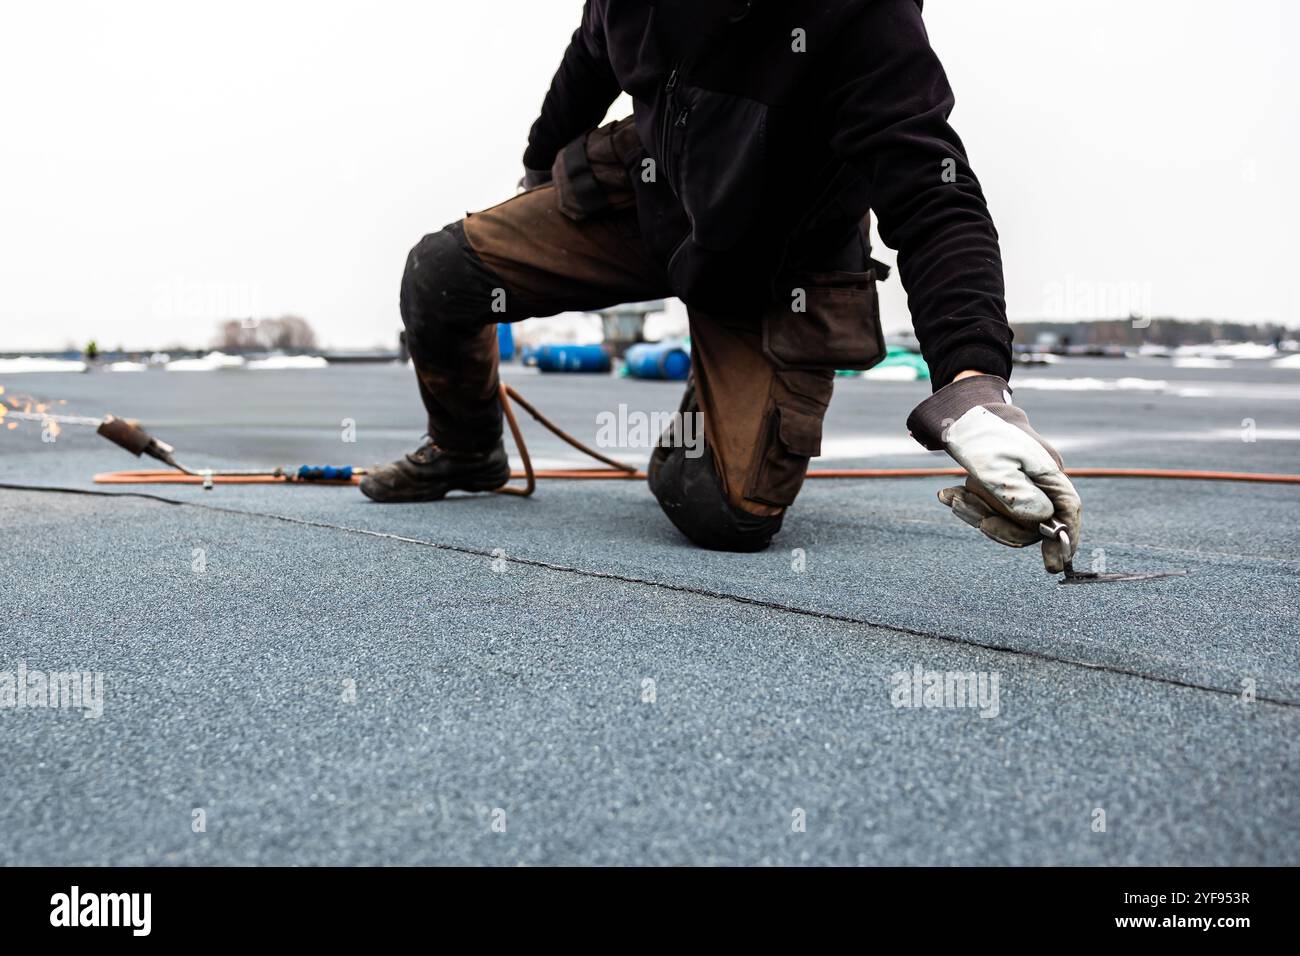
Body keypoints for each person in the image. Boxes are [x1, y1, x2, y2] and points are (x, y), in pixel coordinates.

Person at [362, 0, 1082, 572]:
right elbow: (591, 51)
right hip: (651, 192)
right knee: (443, 275)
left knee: (725, 515)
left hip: (775, 266)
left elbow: (934, 196)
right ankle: (466, 451)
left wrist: (973, 384)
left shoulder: (862, 17)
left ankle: (713, 399)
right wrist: (542, 169)